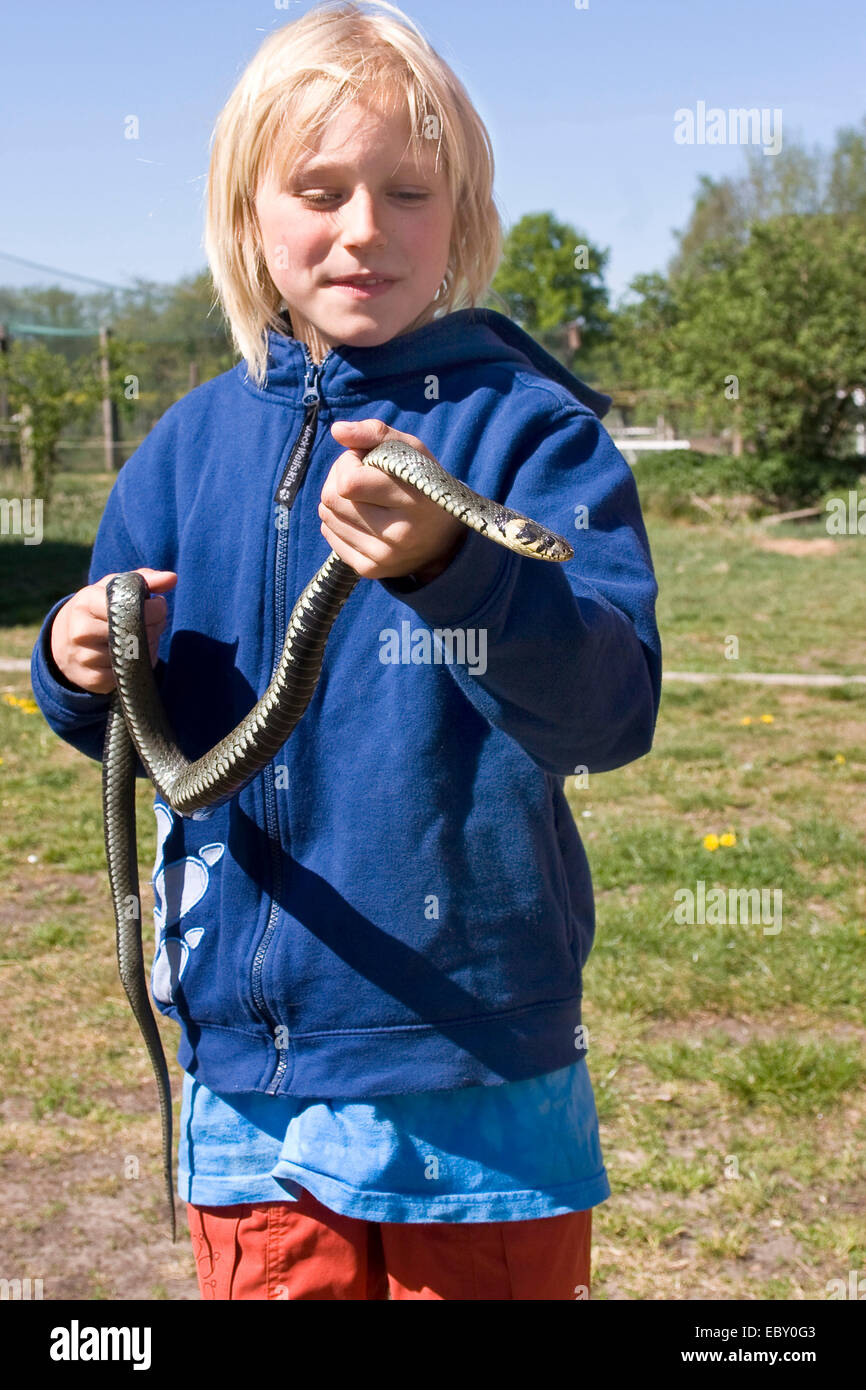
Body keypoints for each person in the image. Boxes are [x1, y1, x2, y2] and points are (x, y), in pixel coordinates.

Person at [31, 0, 662, 1300]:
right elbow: (144, 730)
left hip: (474, 1063)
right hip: (251, 1077)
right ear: (248, 214)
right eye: (317, 190)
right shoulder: (182, 450)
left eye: (405, 191)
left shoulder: (529, 438)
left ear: (461, 216)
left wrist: (453, 566)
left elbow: (605, 710)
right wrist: (75, 659)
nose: (362, 227)